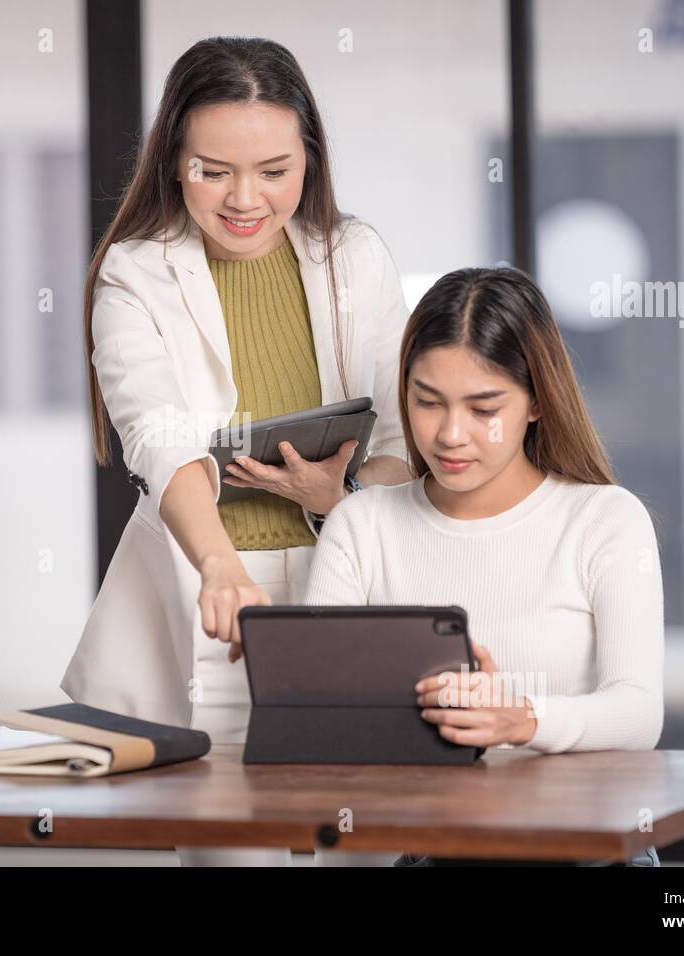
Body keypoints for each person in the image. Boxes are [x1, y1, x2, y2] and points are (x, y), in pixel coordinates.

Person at [59, 35, 412, 866]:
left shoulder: (352, 257)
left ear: (310, 162)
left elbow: (401, 431)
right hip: (216, 606)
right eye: (213, 170)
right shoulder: (135, 274)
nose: (245, 198)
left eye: (275, 170)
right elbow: (159, 437)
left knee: (367, 846)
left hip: (348, 589)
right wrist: (222, 565)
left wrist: (347, 500)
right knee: (233, 852)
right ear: (173, 160)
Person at [304, 266, 664, 866]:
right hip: (415, 847)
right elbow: (321, 719)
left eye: (483, 407)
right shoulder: (360, 526)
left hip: (576, 849)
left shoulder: (605, 519)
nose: (449, 434)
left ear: (537, 403)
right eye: (427, 402)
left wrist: (519, 718)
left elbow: (637, 711)